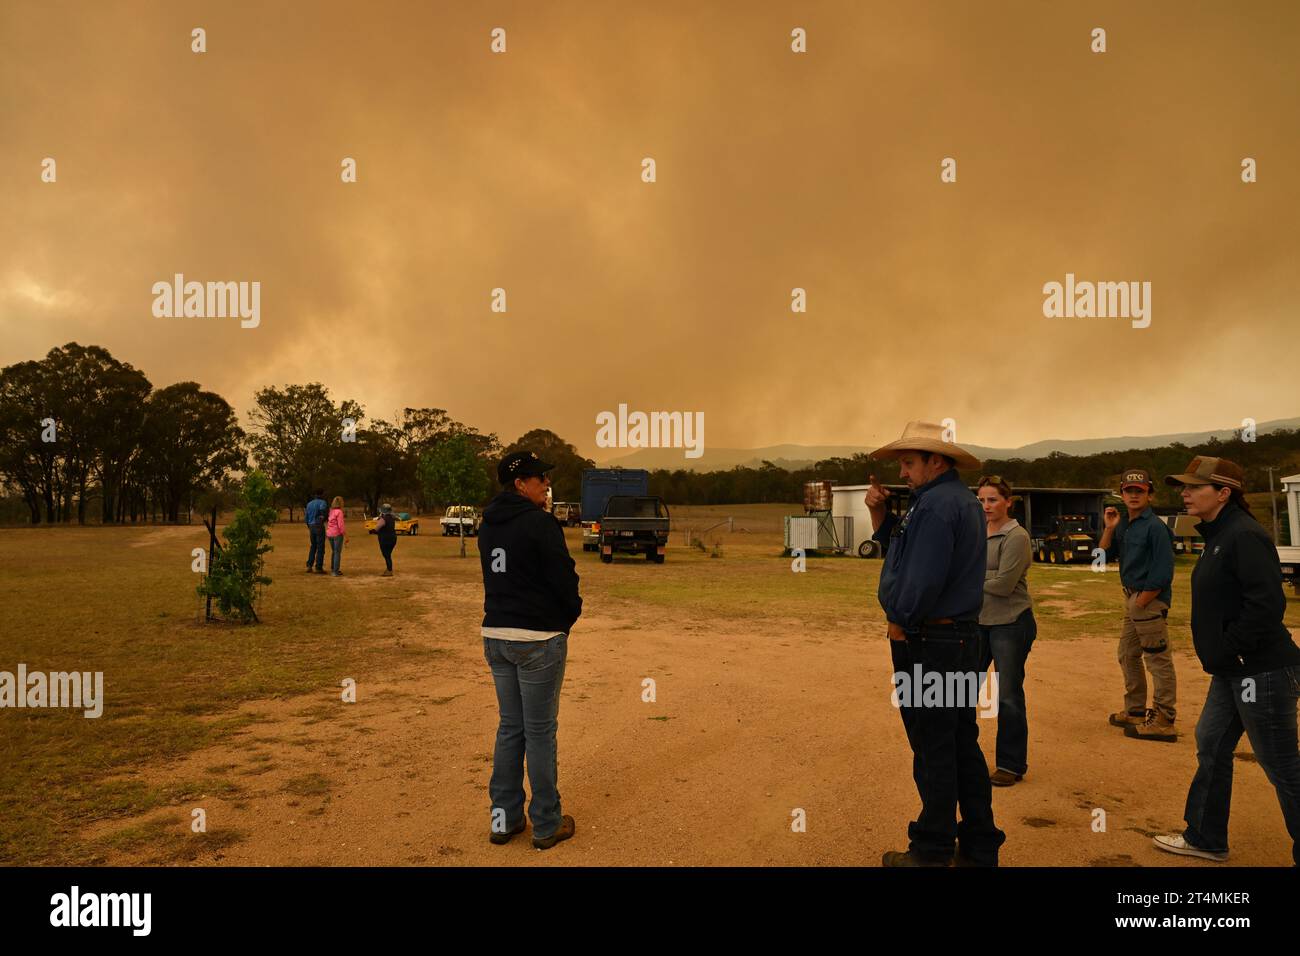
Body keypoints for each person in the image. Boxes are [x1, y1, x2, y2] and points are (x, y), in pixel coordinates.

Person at [866, 420, 1006, 867]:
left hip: (932, 641)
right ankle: (980, 844)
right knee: (961, 741)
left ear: (936, 461)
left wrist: (900, 621)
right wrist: (881, 518)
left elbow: (921, 578)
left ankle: (931, 850)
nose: (903, 472)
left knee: (933, 747)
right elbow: (912, 557)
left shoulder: (935, 507)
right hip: (957, 640)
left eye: (909, 462)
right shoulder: (952, 501)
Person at [1154, 456, 1300, 865]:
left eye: (1193, 487)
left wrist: (1232, 647)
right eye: (1183, 486)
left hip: (1262, 670)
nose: (1184, 492)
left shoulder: (1243, 535)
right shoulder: (1219, 534)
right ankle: (1206, 837)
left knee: (1281, 765)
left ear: (1223, 493)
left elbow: (1267, 603)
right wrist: (1225, 655)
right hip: (1233, 669)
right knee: (1212, 744)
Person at [477, 450, 582, 850]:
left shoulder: (488, 525)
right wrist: (567, 619)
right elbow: (564, 579)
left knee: (510, 729)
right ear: (520, 484)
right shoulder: (540, 524)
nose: (547, 483)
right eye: (540, 477)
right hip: (537, 639)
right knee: (539, 732)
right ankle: (546, 824)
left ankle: (503, 820)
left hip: (497, 635)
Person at [1098, 468, 1178, 742]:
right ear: (1121, 493)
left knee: (1157, 659)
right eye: (1128, 491)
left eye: (1139, 491)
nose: (1133, 495)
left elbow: (1163, 572)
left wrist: (1142, 602)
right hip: (1132, 599)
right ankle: (1135, 711)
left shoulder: (1156, 528)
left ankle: (1164, 719)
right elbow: (1101, 558)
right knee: (1127, 654)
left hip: (1148, 601)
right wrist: (1109, 528)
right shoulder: (1124, 524)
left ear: (1149, 494)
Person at [975, 476, 1037, 786]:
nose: (986, 506)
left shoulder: (1017, 536)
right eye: (982, 500)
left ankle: (1010, 765)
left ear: (1007, 502)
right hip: (978, 622)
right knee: (963, 690)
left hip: (1010, 624)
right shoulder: (975, 531)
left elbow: (1003, 585)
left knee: (1008, 696)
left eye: (992, 500)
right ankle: (967, 759)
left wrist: (968, 580)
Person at [305, 489, 328, 574]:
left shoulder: (309, 504)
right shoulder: (322, 502)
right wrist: (323, 518)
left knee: (313, 546)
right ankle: (318, 567)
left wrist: (309, 526)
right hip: (318, 525)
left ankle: (309, 565)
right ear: (322, 494)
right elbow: (323, 513)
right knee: (320, 547)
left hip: (311, 526)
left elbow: (306, 517)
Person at [325, 496, 347, 577]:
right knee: (337, 552)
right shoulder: (339, 512)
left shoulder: (331, 511)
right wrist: (345, 535)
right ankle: (335, 571)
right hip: (337, 534)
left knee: (334, 551)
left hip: (329, 533)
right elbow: (341, 525)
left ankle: (333, 568)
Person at [375, 503, 398, 576]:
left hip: (385, 539)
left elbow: (377, 528)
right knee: (388, 554)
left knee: (386, 555)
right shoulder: (392, 517)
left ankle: (389, 570)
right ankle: (388, 569)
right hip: (393, 538)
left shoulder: (383, 519)